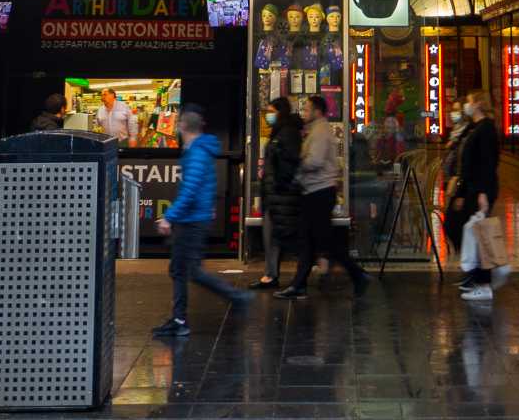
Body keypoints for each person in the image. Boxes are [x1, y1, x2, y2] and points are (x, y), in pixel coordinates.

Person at [155, 104, 249, 335]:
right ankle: (178, 320)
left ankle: (236, 297)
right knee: (180, 269)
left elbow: (190, 189)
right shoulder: (199, 150)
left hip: (192, 221)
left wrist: (169, 217)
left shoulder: (196, 152)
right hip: (195, 218)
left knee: (190, 270)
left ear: (183, 126)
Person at [287, 90, 367, 298]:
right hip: (314, 191)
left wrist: (297, 163)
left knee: (324, 241)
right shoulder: (315, 130)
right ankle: (299, 284)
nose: (303, 112)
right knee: (311, 240)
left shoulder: (320, 132)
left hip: (318, 192)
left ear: (318, 111)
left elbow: (315, 161)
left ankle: (357, 274)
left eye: (306, 109)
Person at [452, 91, 508, 298]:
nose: (466, 105)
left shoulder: (486, 130)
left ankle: (484, 284)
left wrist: (483, 193)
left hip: (481, 190)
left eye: (468, 101)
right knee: (475, 233)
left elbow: (487, 163)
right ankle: (476, 277)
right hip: (475, 188)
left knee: (481, 235)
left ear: (477, 104)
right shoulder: (476, 127)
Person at [253, 97, 303, 288]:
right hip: (276, 195)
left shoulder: (287, 133)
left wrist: (278, 184)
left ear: (280, 112)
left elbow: (289, 162)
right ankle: (271, 274)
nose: (268, 116)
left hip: (282, 194)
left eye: (271, 111)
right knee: (273, 235)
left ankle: (291, 276)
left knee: (281, 235)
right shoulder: (281, 132)